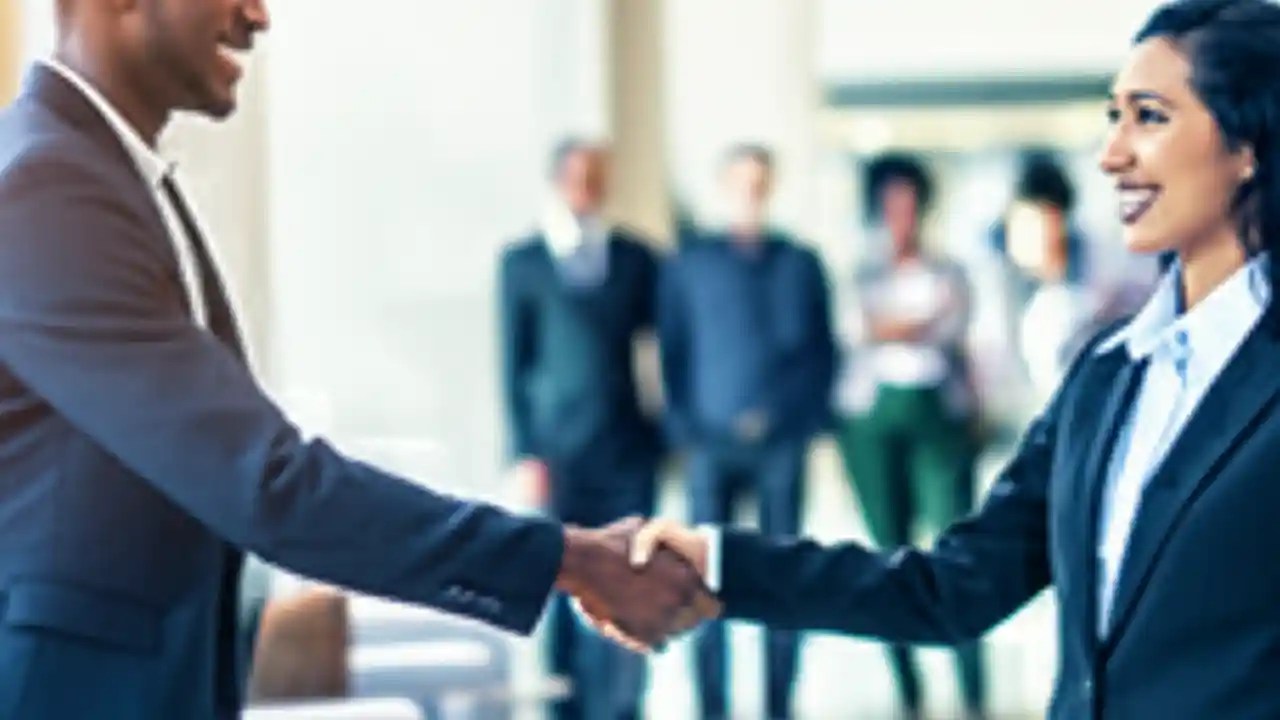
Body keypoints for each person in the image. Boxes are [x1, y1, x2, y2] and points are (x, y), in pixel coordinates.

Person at [0, 2, 714, 718]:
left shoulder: (108, 179)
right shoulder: (48, 188)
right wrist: (571, 560)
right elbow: (269, 484)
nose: (258, 16)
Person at [614, 1, 1280, 718]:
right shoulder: (1110, 373)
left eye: (1149, 116)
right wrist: (717, 563)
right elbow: (949, 589)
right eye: (1112, 117)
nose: (1111, 154)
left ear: (1249, 144)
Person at [657, 144, 836, 720]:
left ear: (772, 186)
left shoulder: (800, 262)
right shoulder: (690, 265)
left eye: (760, 182)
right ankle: (713, 707)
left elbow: (823, 352)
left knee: (784, 581)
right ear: (723, 187)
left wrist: (801, 421)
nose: (750, 193)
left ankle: (779, 706)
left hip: (782, 445)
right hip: (711, 445)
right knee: (704, 579)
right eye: (740, 183)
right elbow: (672, 353)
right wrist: (687, 431)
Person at [499, 138, 663, 720]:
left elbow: (667, 347)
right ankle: (565, 707)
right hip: (558, 452)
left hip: (625, 448)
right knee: (562, 580)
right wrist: (524, 453)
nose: (586, 186)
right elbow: (513, 365)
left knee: (628, 581)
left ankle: (621, 707)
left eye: (596, 175)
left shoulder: (636, 259)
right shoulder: (523, 263)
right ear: (557, 180)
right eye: (576, 175)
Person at [832, 153, 985, 720]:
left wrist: (895, 326)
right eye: (891, 205)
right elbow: (857, 329)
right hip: (872, 420)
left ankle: (971, 690)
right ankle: (909, 693)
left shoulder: (949, 271)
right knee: (888, 554)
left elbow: (952, 327)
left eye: (911, 205)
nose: (902, 215)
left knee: (957, 547)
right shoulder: (861, 272)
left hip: (936, 416)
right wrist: (909, 325)